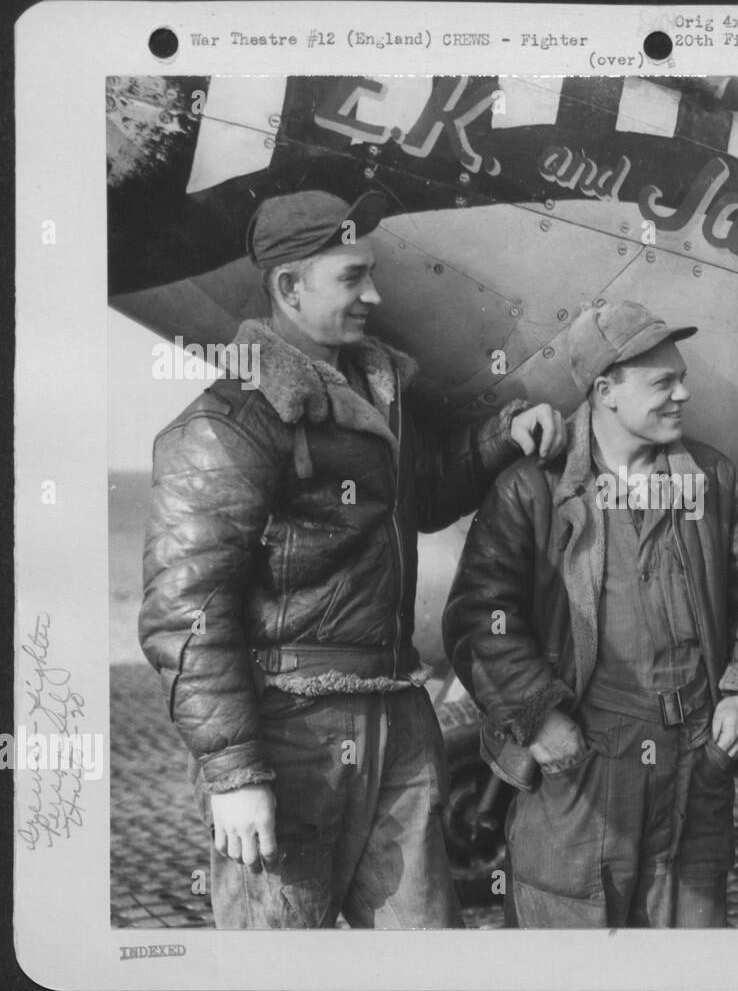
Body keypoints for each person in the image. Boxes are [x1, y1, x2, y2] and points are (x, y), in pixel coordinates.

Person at [138, 189, 566, 928]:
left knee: (428, 963)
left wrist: (501, 437)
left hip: (397, 722)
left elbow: (421, 493)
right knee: (280, 967)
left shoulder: (378, 393)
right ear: (286, 288)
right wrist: (236, 770)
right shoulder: (228, 422)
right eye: (351, 277)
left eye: (371, 273)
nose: (374, 294)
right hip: (291, 731)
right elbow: (184, 613)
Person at [443, 300, 738, 928]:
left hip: (693, 763)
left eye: (681, 378)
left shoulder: (712, 480)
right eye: (664, 383)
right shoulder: (532, 490)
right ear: (605, 391)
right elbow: (479, 616)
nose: (683, 395)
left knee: (686, 965)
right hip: (583, 769)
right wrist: (538, 716)